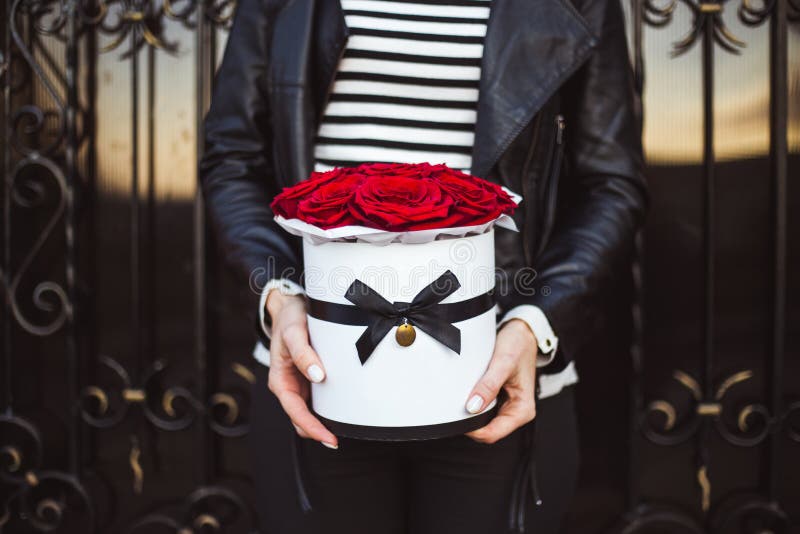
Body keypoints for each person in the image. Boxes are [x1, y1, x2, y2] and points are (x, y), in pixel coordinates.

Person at [199, 0, 646, 532]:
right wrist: (278, 293)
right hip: (315, 368)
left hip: (501, 376)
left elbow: (610, 183)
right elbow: (231, 156)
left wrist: (536, 321)